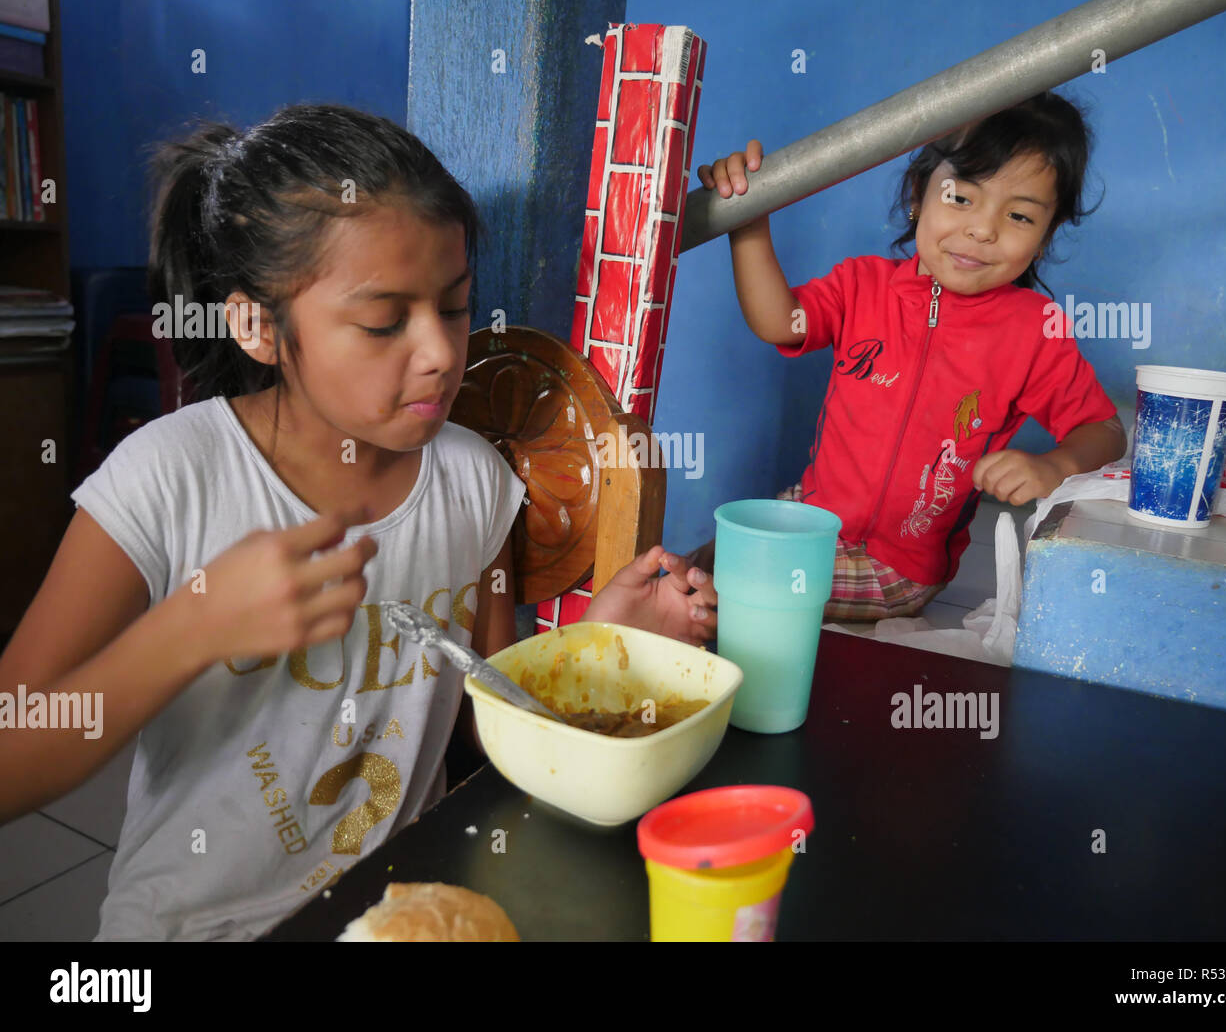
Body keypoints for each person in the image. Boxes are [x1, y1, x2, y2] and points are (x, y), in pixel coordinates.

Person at [0, 104, 717, 940]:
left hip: (397, 914)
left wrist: (599, 650)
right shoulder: (171, 476)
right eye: (384, 322)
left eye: (453, 307)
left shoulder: (474, 479)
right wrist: (190, 627)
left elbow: (485, 712)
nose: (443, 352)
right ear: (257, 326)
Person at [696, 92, 1127, 622]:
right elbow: (777, 322)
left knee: (731, 593)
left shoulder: (1035, 330)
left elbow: (1104, 429)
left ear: (1044, 238)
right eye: (962, 198)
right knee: (694, 570)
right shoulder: (863, 285)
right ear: (919, 196)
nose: (983, 229)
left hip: (895, 566)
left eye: (1018, 215)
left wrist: (1054, 465)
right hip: (809, 516)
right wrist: (748, 221)